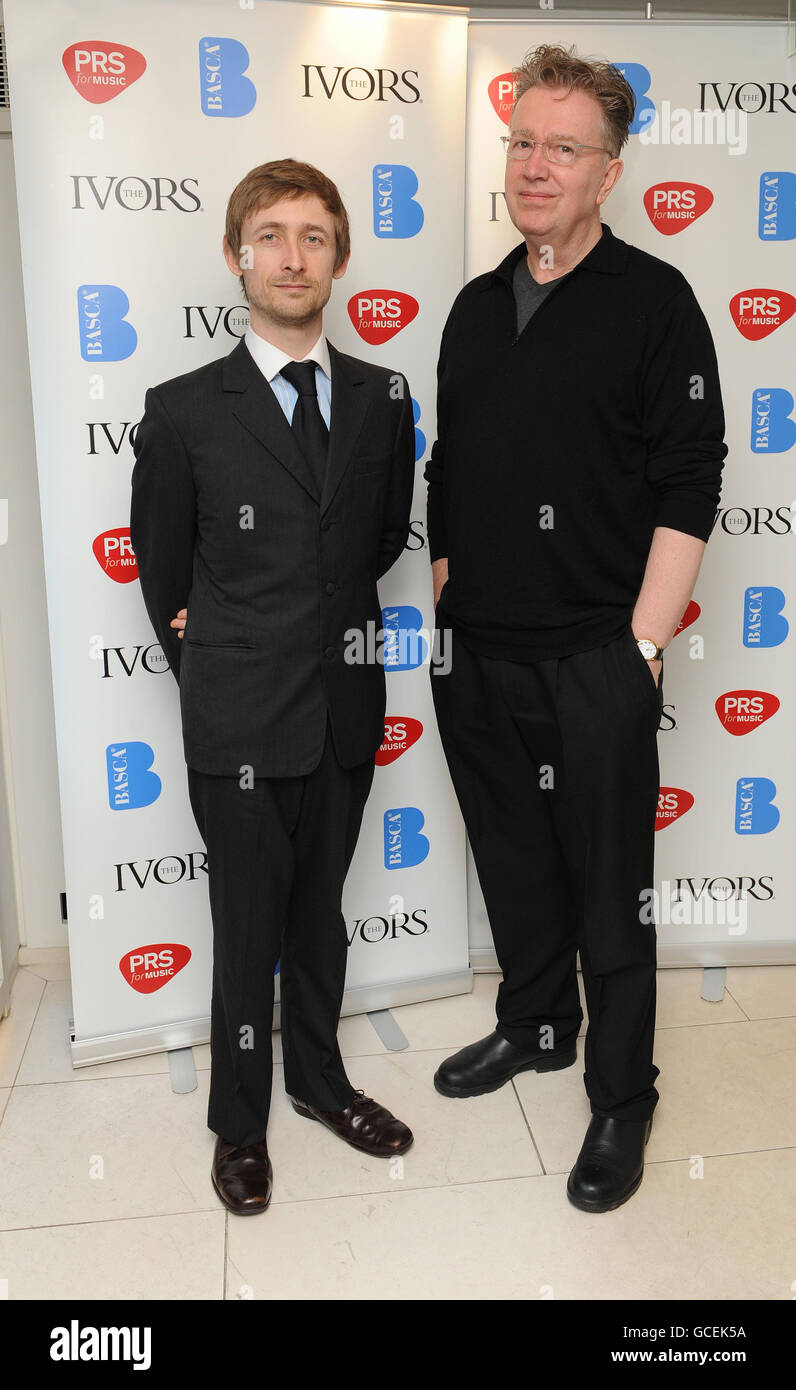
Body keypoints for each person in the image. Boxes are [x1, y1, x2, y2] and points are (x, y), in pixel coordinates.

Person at [425, 45, 726, 1212]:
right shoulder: (471, 303)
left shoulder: (654, 302)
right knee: (513, 859)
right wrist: (450, 588)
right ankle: (536, 1024)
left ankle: (620, 1094)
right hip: (477, 651)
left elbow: (691, 476)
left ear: (608, 170)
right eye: (520, 142)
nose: (535, 166)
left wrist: (641, 645)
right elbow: (451, 464)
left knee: (612, 887)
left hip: (597, 654)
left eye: (563, 148)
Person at [130, 159, 416, 1216]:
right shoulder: (183, 409)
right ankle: (239, 1127)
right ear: (235, 253)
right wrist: (224, 660)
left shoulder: (386, 399)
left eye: (313, 235)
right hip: (239, 719)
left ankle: (321, 1083)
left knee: (321, 921)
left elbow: (380, 538)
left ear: (340, 255)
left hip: (343, 705)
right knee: (247, 931)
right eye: (270, 234)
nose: (292, 256)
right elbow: (164, 573)